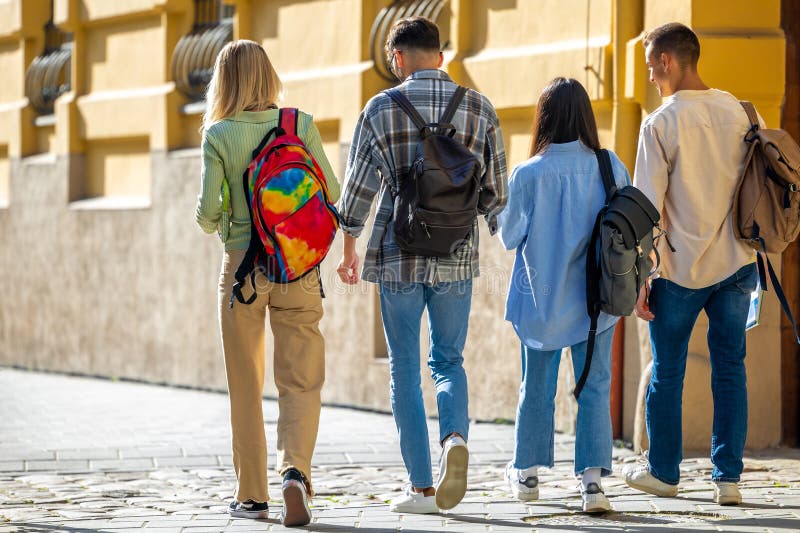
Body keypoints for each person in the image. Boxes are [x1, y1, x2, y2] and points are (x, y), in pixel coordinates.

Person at [336, 16, 508, 514]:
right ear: (440, 55)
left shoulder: (380, 108)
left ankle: (421, 490)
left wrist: (348, 244)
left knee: (405, 370)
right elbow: (496, 195)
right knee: (449, 361)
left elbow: (358, 192)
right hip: (457, 254)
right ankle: (454, 437)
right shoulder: (479, 108)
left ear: (396, 59)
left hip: (399, 253)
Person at [195, 40, 340, 526]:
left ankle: (252, 495)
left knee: (246, 382)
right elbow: (332, 193)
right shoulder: (298, 124)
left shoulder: (218, 133)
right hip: (297, 262)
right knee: (300, 378)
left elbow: (206, 213)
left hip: (242, 270)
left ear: (225, 81)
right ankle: (295, 471)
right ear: (269, 75)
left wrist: (226, 228)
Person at [623, 22, 758, 506]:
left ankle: (663, 472)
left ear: (666, 61)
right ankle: (729, 480)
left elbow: (644, 207)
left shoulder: (660, 123)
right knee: (730, 369)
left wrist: (641, 276)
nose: (651, 79)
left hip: (679, 270)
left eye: (650, 68)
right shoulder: (741, 112)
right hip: (738, 263)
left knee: (668, 370)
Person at [497, 77, 630, 514]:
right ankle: (592, 484)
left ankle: (528, 475)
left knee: (535, 386)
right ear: (587, 116)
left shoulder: (528, 173)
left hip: (543, 300)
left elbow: (510, 235)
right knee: (594, 387)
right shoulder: (610, 165)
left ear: (544, 118)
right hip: (598, 302)